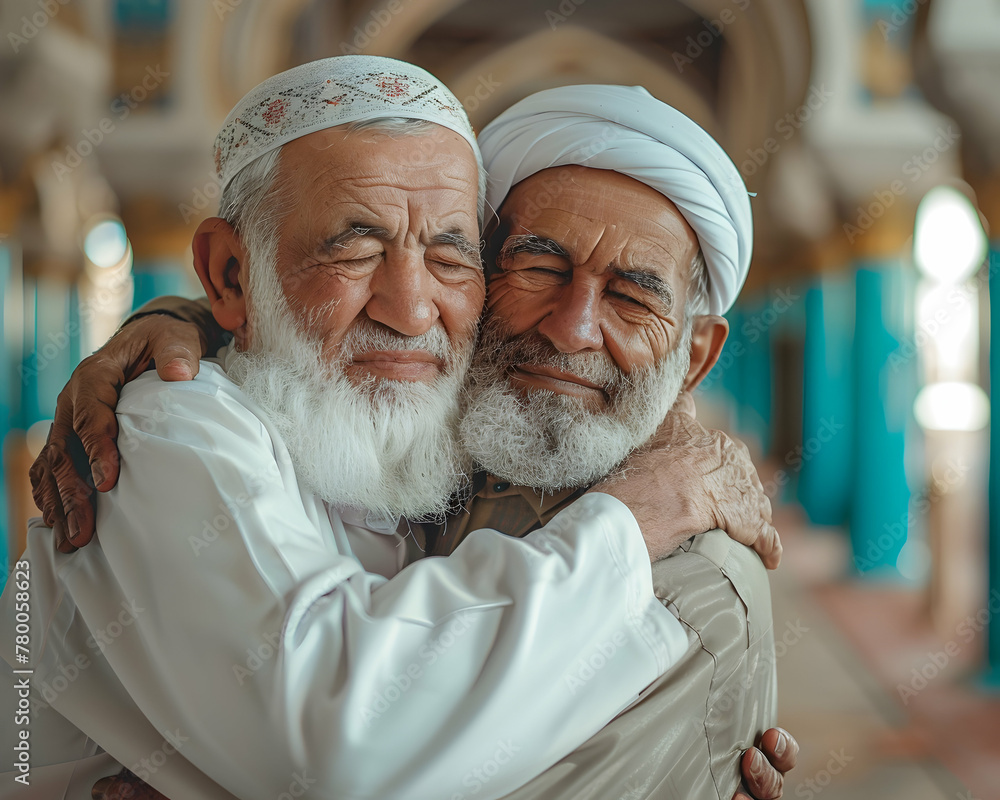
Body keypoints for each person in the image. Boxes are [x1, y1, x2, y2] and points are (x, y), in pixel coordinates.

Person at [10, 60, 792, 799]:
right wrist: (172, 321)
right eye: (355, 248)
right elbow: (338, 738)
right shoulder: (160, 426)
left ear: (695, 358)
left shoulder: (694, 578)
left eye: (449, 258)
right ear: (230, 275)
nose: (413, 310)